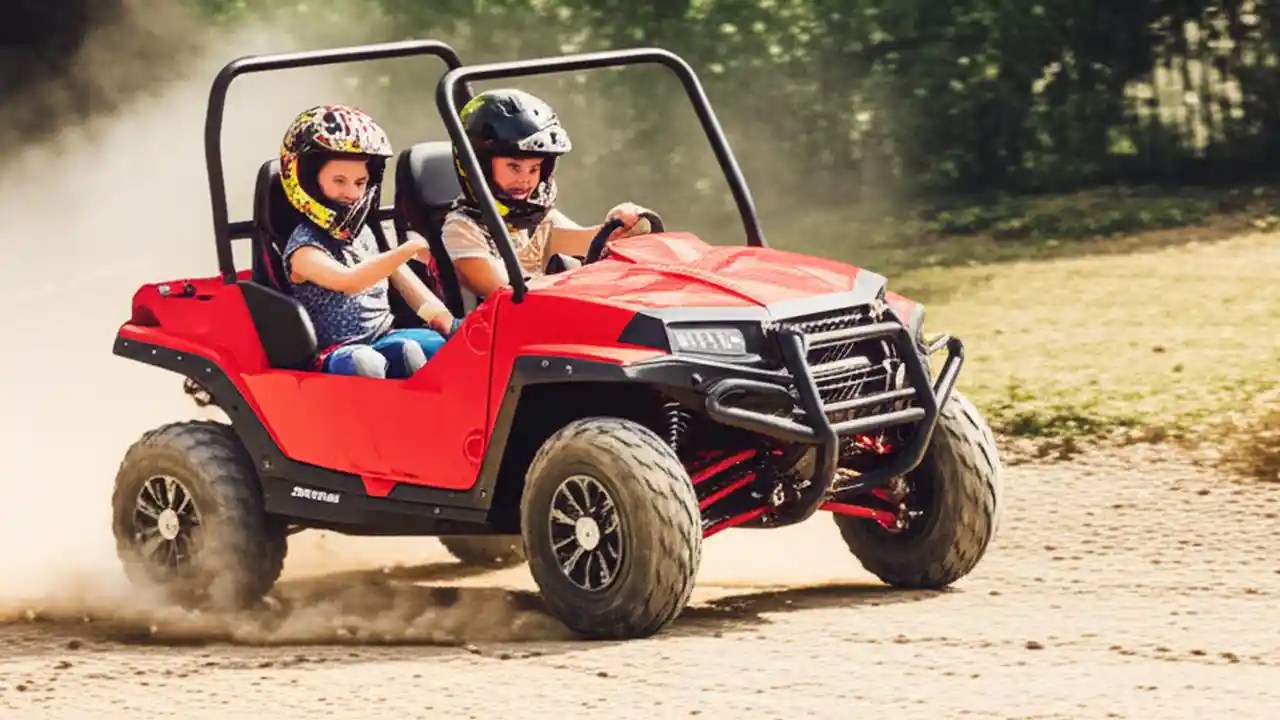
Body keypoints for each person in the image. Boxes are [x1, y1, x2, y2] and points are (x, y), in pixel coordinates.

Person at [278, 104, 460, 379]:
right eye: (339, 180)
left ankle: (436, 415)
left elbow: (401, 278)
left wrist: (442, 318)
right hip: (338, 351)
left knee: (428, 346)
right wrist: (406, 250)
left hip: (384, 335)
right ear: (308, 180)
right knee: (365, 363)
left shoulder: (362, 232)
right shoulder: (303, 248)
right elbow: (349, 281)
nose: (351, 193)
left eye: (360, 182)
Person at [440, 89, 653, 312]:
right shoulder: (462, 227)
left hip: (548, 325)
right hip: (492, 335)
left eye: (534, 169)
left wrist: (620, 227)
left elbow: (589, 244)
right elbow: (503, 288)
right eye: (514, 167)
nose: (525, 179)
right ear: (480, 167)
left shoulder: (537, 219)